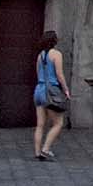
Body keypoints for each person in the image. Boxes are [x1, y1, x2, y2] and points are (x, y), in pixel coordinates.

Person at [31, 29, 71, 160]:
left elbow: (38, 73)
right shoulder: (56, 54)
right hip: (51, 90)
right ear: (55, 41)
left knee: (40, 124)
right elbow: (59, 74)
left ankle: (37, 152)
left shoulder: (40, 55)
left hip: (39, 89)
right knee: (58, 123)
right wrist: (65, 89)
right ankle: (46, 149)